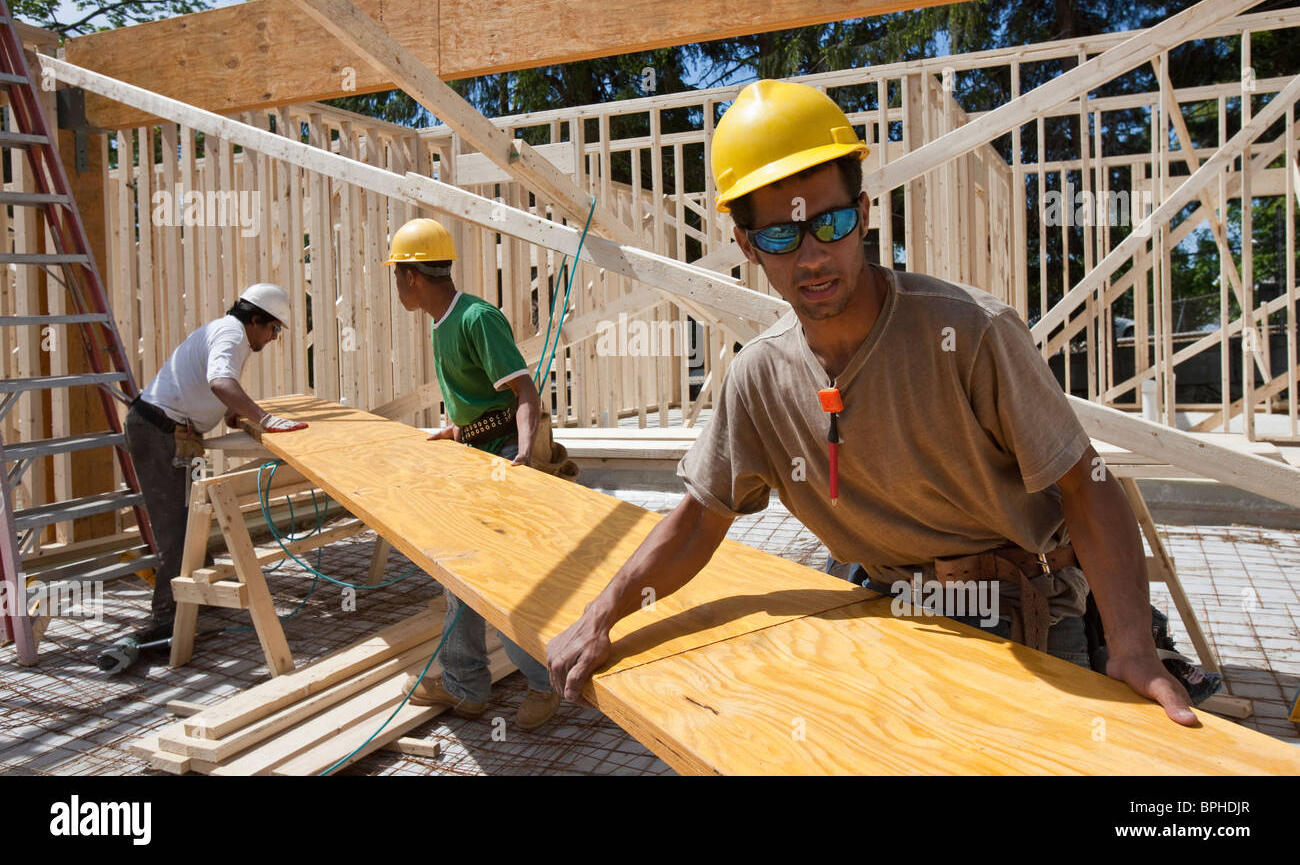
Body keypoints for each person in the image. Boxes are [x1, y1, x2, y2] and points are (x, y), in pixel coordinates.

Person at [546, 79, 1197, 726]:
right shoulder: (760, 378)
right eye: (780, 237)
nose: (812, 256)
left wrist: (1133, 650)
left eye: (828, 223)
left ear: (862, 212)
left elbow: (1087, 484)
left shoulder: (969, 332)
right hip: (886, 600)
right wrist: (601, 617)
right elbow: (696, 522)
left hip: (1022, 600)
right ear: (746, 246)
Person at [386, 217, 562, 732]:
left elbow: (523, 394)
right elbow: (480, 400)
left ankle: (544, 682)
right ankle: (466, 686)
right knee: (458, 576)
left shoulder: (476, 319)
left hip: (503, 460)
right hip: (476, 456)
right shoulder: (444, 322)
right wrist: (458, 431)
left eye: (396, 273)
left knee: (498, 581)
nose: (396, 283)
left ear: (412, 277)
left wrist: (523, 458)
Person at [124, 282, 307, 642]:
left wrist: (230, 413)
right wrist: (264, 418)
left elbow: (210, 384)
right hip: (159, 432)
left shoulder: (228, 332)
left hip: (170, 431)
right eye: (274, 329)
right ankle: (165, 624)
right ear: (256, 319)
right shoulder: (233, 334)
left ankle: (196, 602)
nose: (273, 338)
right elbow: (220, 381)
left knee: (192, 520)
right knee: (176, 530)